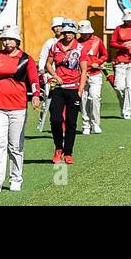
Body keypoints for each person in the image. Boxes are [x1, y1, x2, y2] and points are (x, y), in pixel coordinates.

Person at [0, 25, 39, 194]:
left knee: (15, 146)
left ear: (17, 41)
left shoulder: (27, 59)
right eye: (5, 39)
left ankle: (16, 178)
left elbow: (33, 79)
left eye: (10, 39)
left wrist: (36, 95)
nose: (7, 42)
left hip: (18, 107)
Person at [45, 20, 84, 164]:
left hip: (74, 88)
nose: (68, 35)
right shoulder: (55, 46)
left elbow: (83, 70)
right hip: (58, 88)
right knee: (55, 119)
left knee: (71, 121)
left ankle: (68, 152)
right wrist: (55, 76)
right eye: (66, 32)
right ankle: (58, 148)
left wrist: (81, 89)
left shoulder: (80, 48)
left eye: (71, 32)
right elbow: (48, 64)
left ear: (75, 34)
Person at [109, 10, 131, 120]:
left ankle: (127, 111)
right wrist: (123, 46)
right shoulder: (118, 29)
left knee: (130, 86)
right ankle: (124, 105)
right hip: (120, 61)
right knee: (118, 87)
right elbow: (112, 43)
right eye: (127, 20)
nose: (129, 22)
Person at [77, 20, 108, 136]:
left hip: (95, 74)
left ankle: (95, 123)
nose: (84, 35)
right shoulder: (76, 43)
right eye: (82, 33)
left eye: (86, 33)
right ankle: (86, 124)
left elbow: (105, 55)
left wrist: (98, 62)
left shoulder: (97, 41)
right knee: (83, 99)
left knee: (94, 97)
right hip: (82, 75)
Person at [35, 16, 65, 132]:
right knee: (48, 98)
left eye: (60, 26)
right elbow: (43, 56)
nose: (58, 29)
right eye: (55, 27)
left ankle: (62, 125)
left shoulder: (70, 42)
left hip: (65, 75)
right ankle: (41, 122)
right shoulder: (49, 42)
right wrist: (41, 69)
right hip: (51, 75)